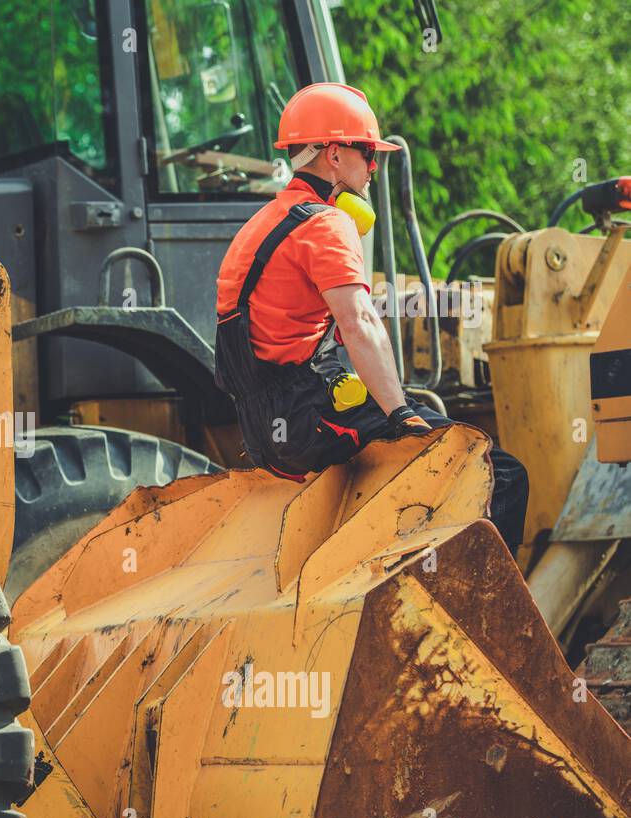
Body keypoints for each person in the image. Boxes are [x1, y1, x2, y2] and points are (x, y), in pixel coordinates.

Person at [214, 82, 528, 554]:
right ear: (334, 154)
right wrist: (400, 413)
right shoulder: (325, 223)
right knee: (500, 473)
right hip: (308, 418)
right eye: (366, 151)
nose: (374, 166)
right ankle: (479, 606)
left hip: (262, 429)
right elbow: (359, 321)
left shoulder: (262, 224)